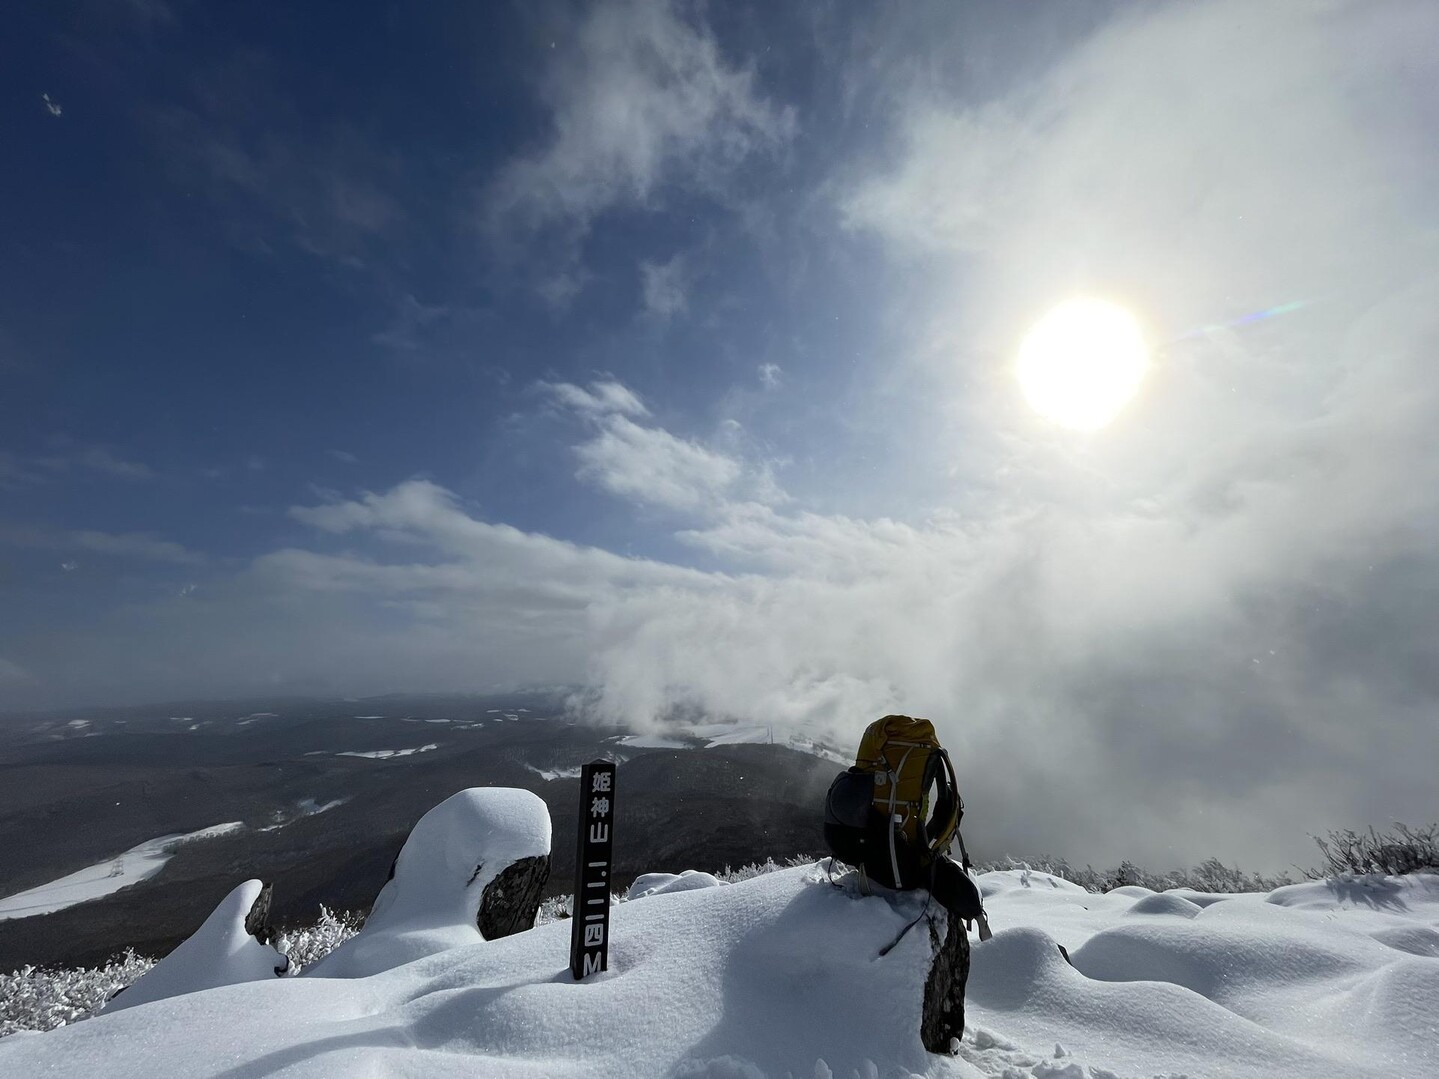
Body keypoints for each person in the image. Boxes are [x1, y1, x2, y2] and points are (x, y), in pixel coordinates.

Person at [823, 714, 990, 939]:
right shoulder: (926, 748)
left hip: (885, 861)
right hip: (905, 858)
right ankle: (971, 908)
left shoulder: (879, 739)